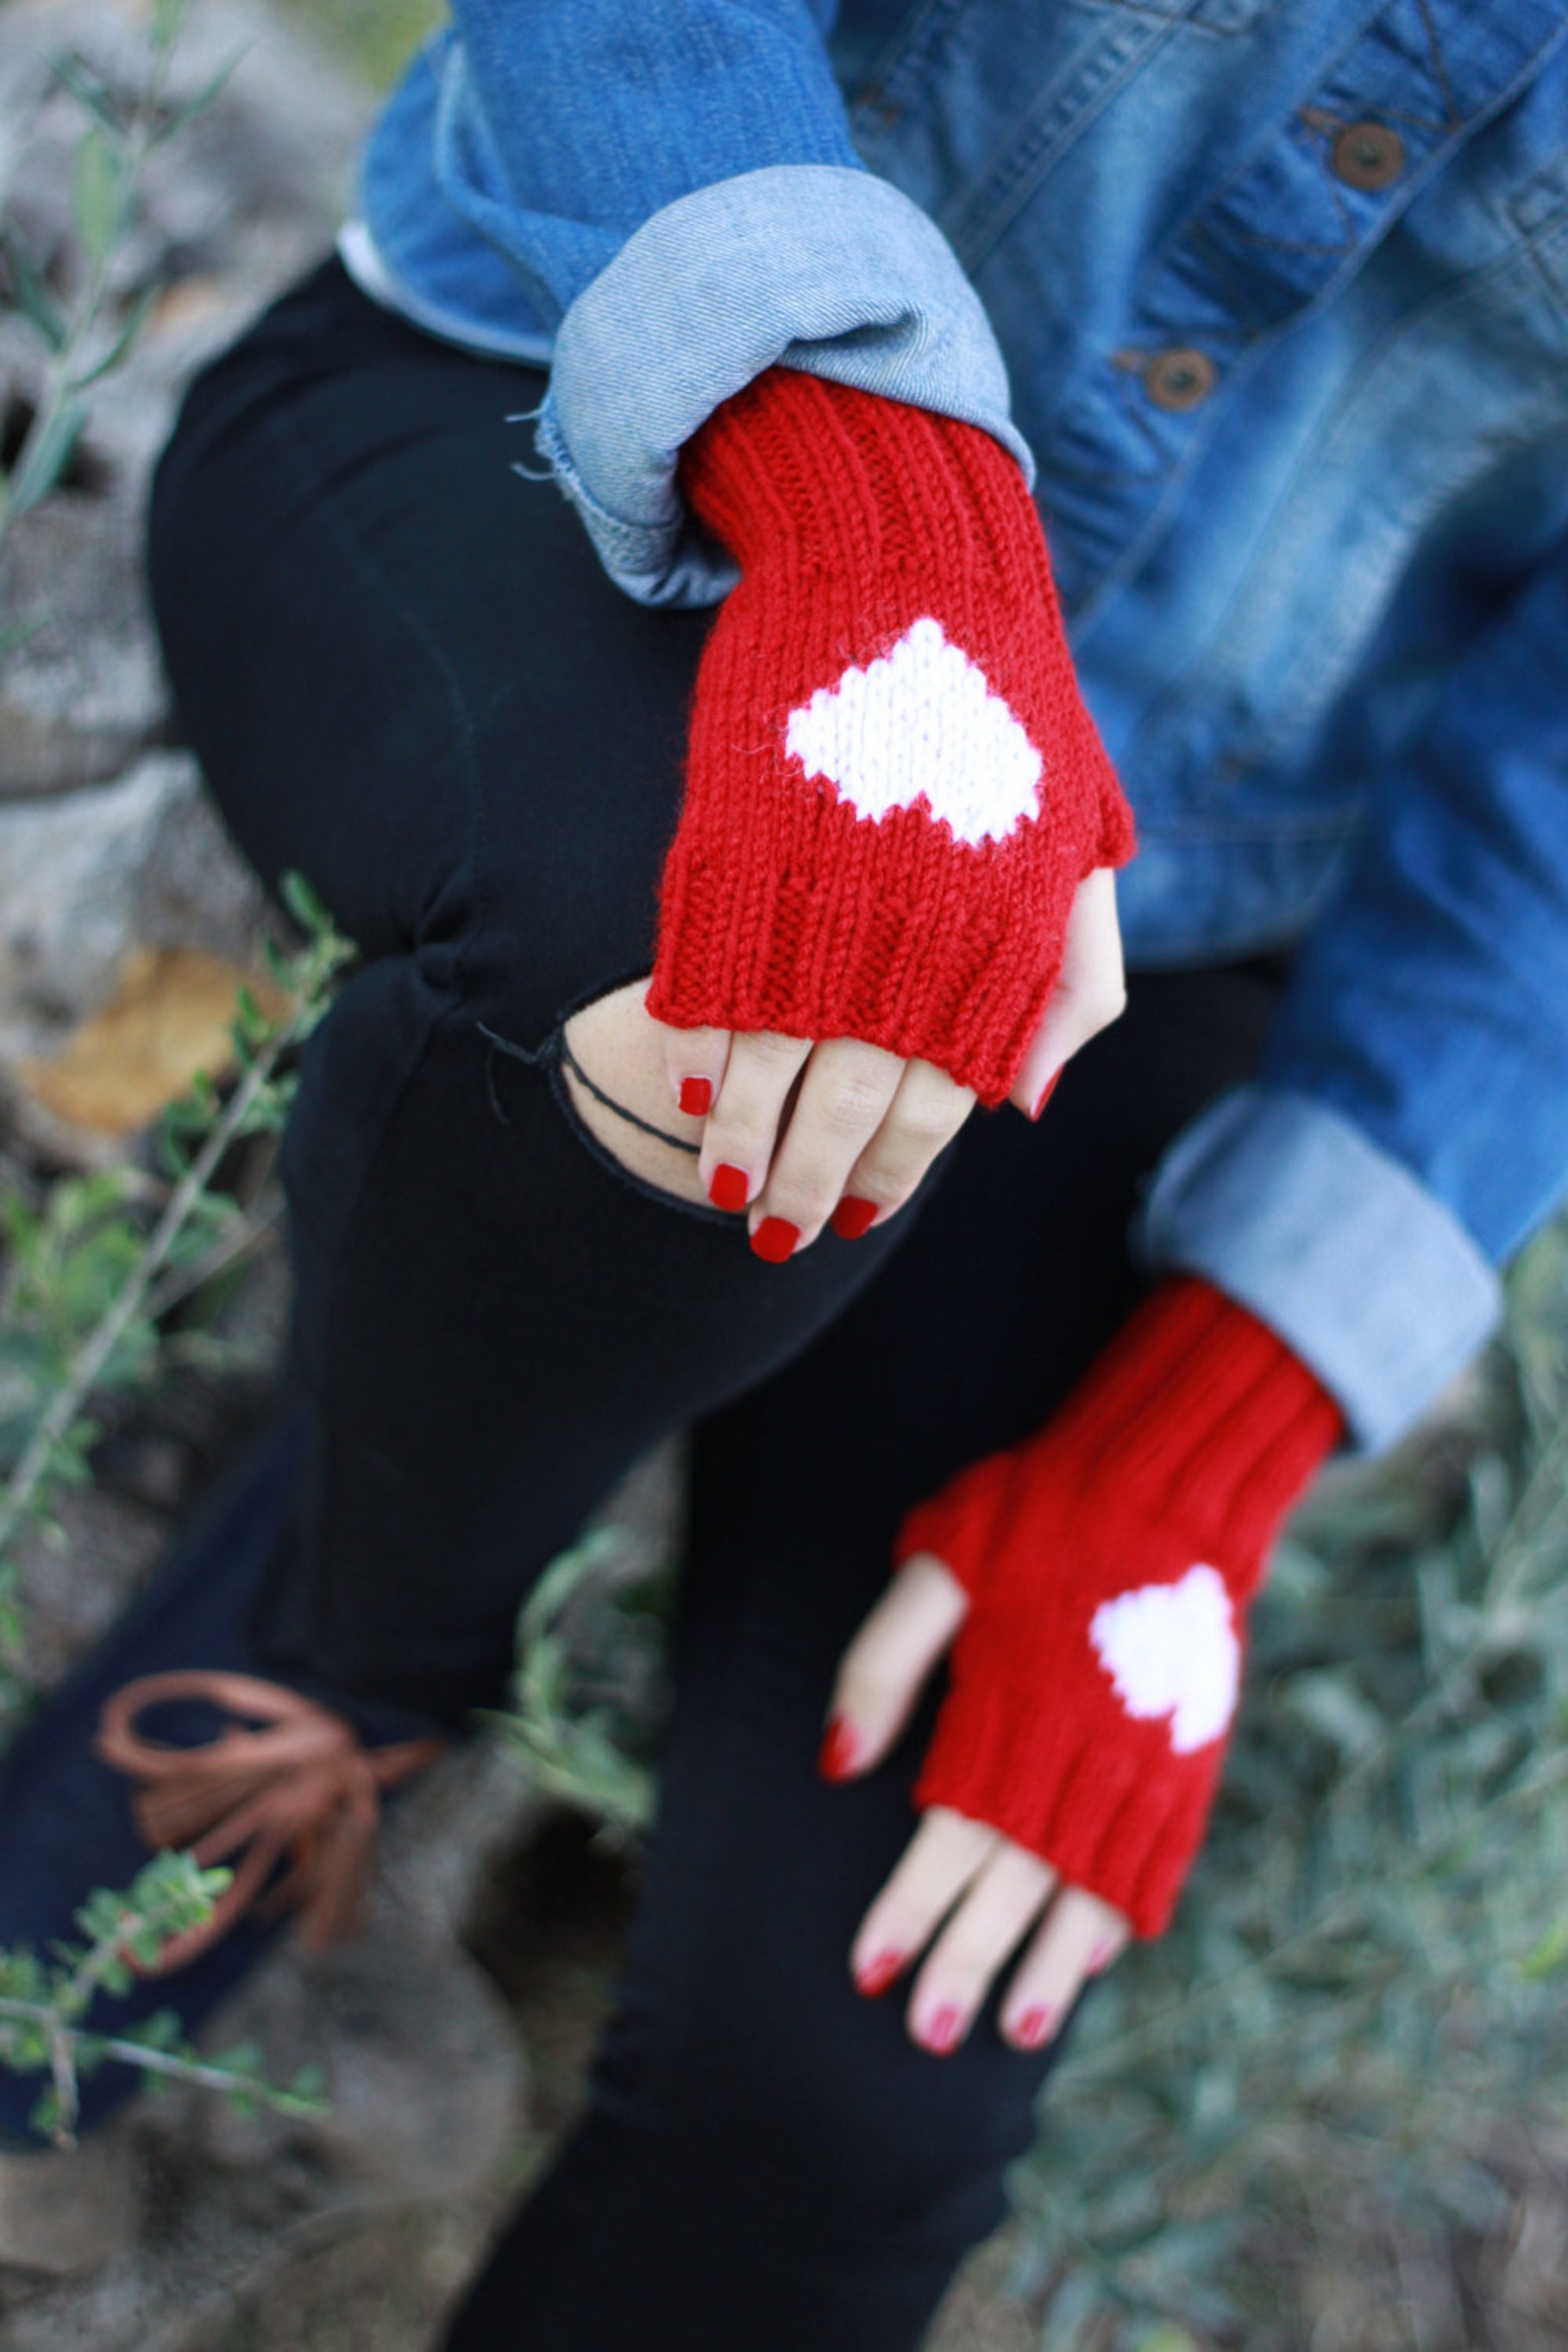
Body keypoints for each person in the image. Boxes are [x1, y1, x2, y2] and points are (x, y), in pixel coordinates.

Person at [4, 4, 1568, 2346]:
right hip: (539, 419)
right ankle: (367, 1636)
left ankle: (345, 1587)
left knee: (864, 2077)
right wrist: (867, 482)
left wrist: (1201, 1438)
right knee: (714, 986)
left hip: (1162, 889)